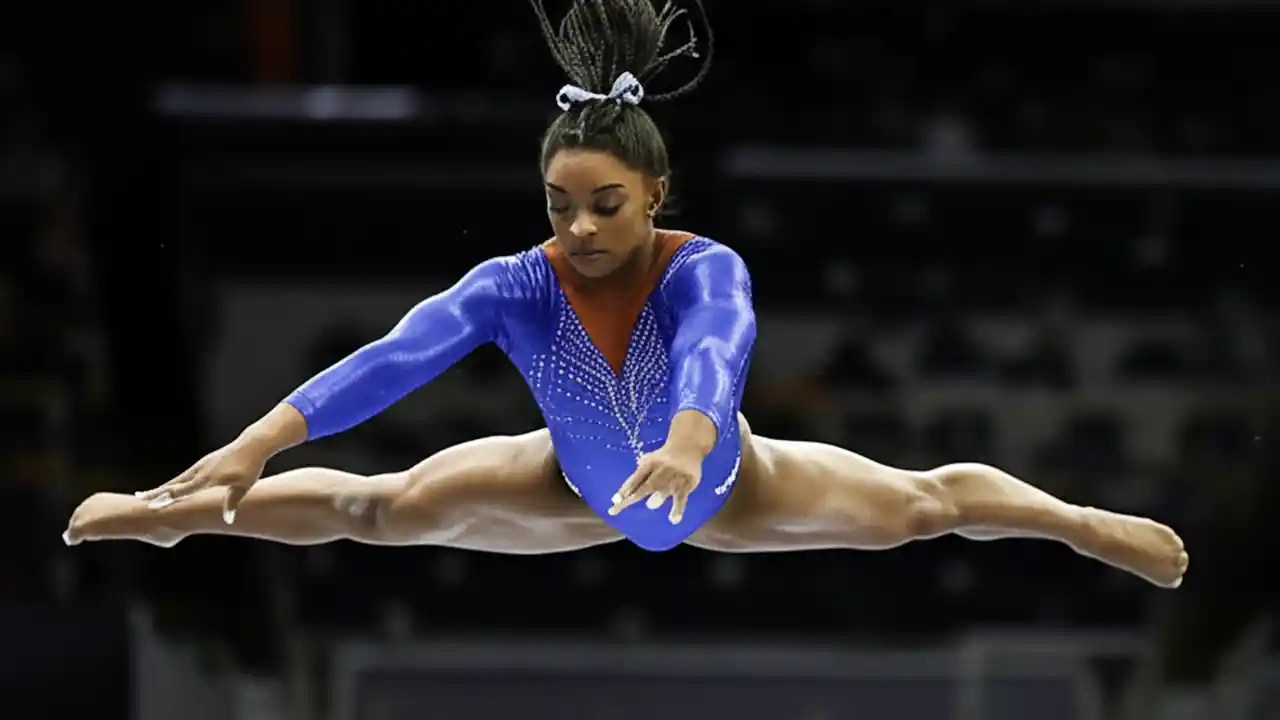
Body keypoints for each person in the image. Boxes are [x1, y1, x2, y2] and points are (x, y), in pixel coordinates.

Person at [65, 0, 1188, 589]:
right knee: (379, 510)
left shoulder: (703, 268)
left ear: (654, 191)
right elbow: (393, 359)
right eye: (559, 205)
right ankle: (174, 516)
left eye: (605, 204)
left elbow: (714, 352)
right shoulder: (515, 285)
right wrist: (254, 443)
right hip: (574, 483)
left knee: (920, 510)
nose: (580, 229)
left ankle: (1079, 524)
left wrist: (691, 443)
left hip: (728, 485)